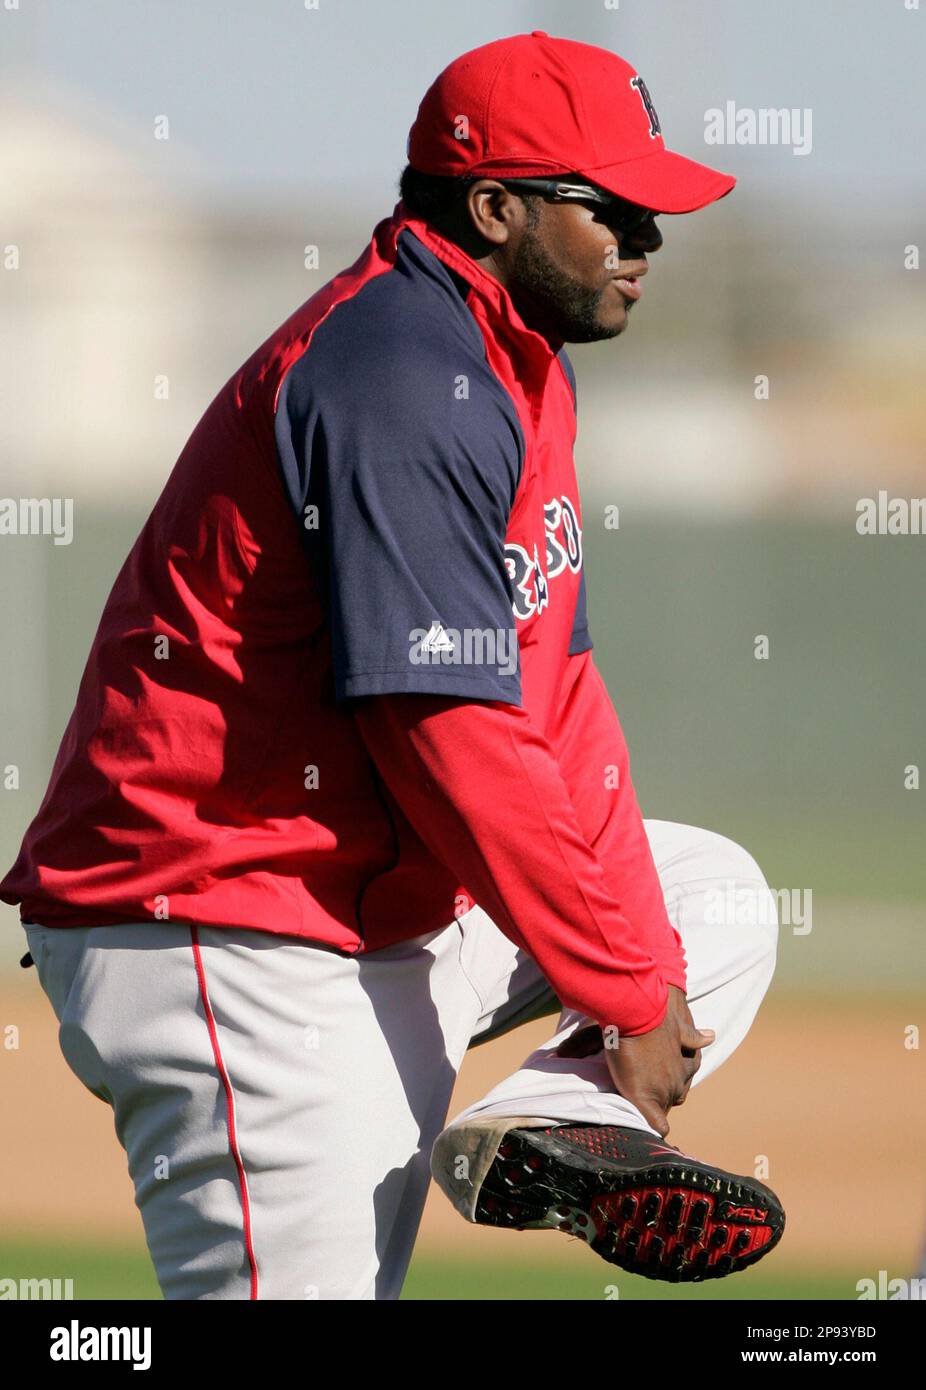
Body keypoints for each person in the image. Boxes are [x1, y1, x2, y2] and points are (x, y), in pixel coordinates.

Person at [1, 32, 783, 1300]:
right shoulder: (396, 374)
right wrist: (620, 992)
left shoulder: (514, 363)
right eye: (614, 209)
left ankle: (553, 1127)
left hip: (360, 899)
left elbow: (556, 696)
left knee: (714, 897)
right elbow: (443, 723)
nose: (645, 240)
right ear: (493, 206)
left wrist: (634, 974)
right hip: (227, 923)